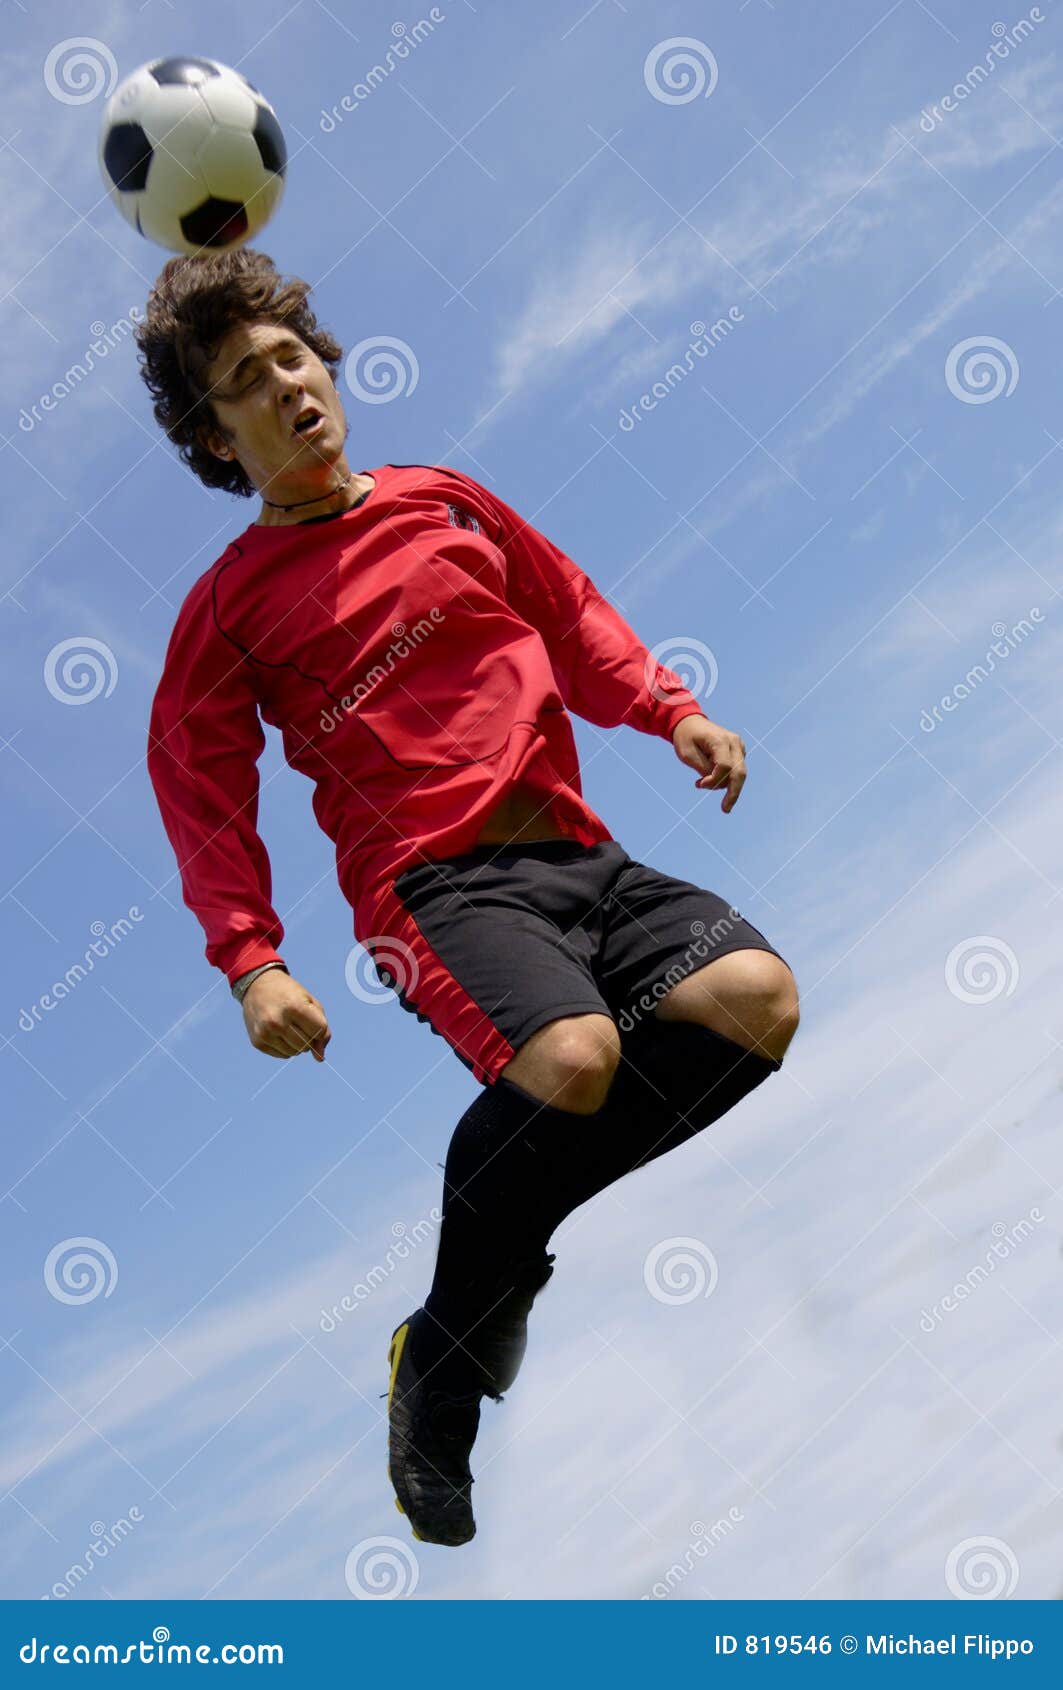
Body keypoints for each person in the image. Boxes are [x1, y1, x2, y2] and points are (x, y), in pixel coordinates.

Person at [140, 249, 800, 1549]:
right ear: (218, 437)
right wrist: (251, 957)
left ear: (326, 368)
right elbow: (200, 789)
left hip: (579, 853)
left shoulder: (445, 499)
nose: (285, 386)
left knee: (755, 1000)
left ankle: (485, 1264)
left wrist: (672, 708)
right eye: (243, 384)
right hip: (432, 888)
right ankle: (450, 1356)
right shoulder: (227, 607)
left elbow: (568, 611)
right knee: (574, 1056)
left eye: (292, 358)